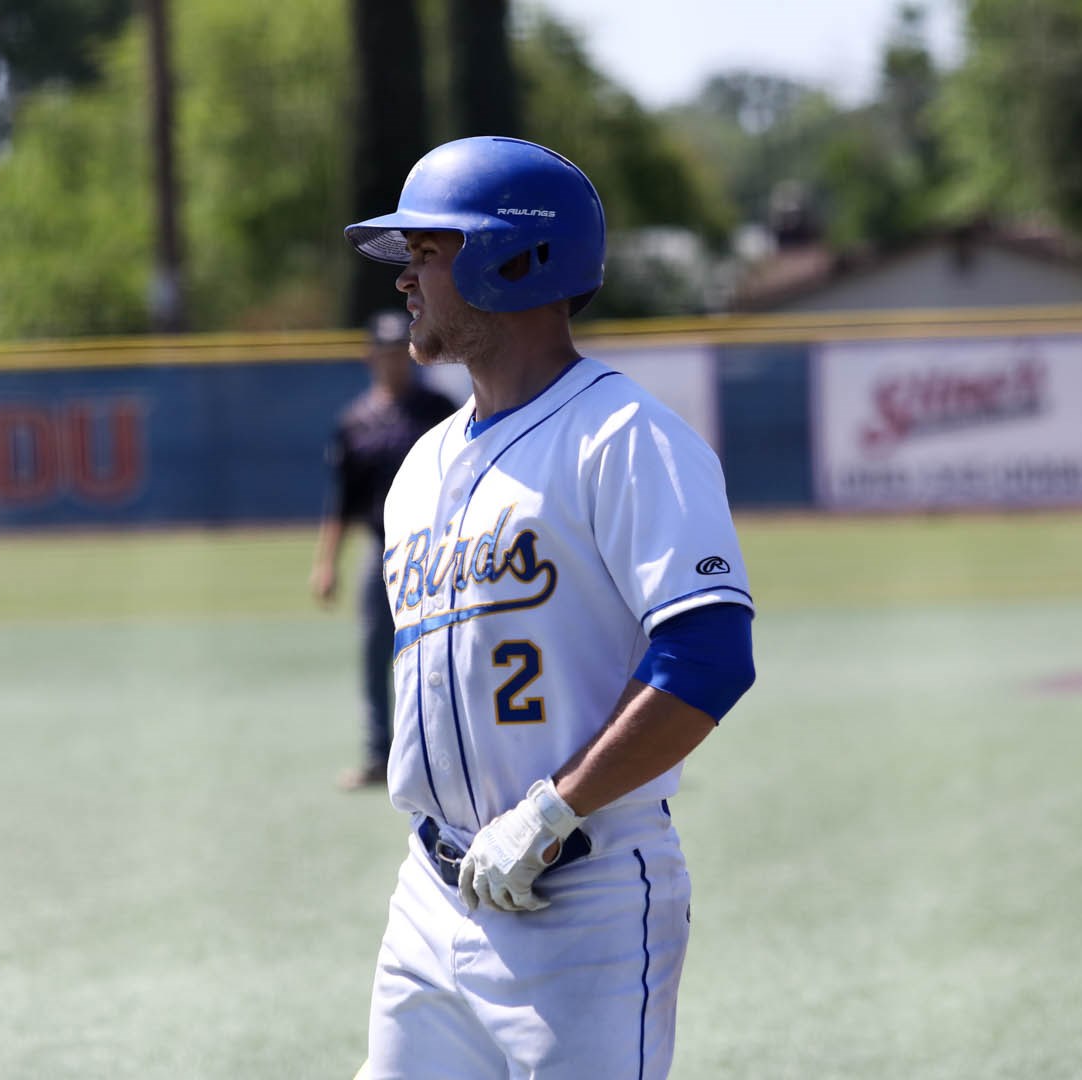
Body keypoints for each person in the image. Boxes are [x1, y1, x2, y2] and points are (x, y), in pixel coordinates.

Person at [342, 135, 757, 1078]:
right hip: (430, 901)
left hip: (587, 900)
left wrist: (554, 810)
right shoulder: (422, 467)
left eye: (427, 252)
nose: (406, 281)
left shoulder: (624, 436)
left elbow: (708, 659)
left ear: (516, 257)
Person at [312, 311, 459, 790]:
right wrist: (326, 563)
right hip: (383, 548)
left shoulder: (439, 408)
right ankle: (380, 756)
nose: (395, 360)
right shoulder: (356, 421)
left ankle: (454, 755)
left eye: (402, 351)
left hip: (443, 544)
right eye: (386, 351)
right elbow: (342, 501)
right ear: (370, 356)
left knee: (450, 646)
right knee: (377, 648)